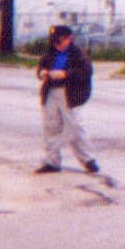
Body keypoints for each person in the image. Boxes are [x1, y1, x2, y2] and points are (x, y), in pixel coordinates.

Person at [35, 25, 99, 174]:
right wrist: (42, 73)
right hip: (51, 92)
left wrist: (65, 74)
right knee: (50, 127)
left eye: (59, 41)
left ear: (69, 39)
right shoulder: (51, 53)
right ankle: (52, 161)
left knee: (75, 127)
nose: (56, 44)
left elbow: (86, 71)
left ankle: (87, 159)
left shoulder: (77, 54)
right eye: (54, 41)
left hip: (68, 93)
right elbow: (40, 67)